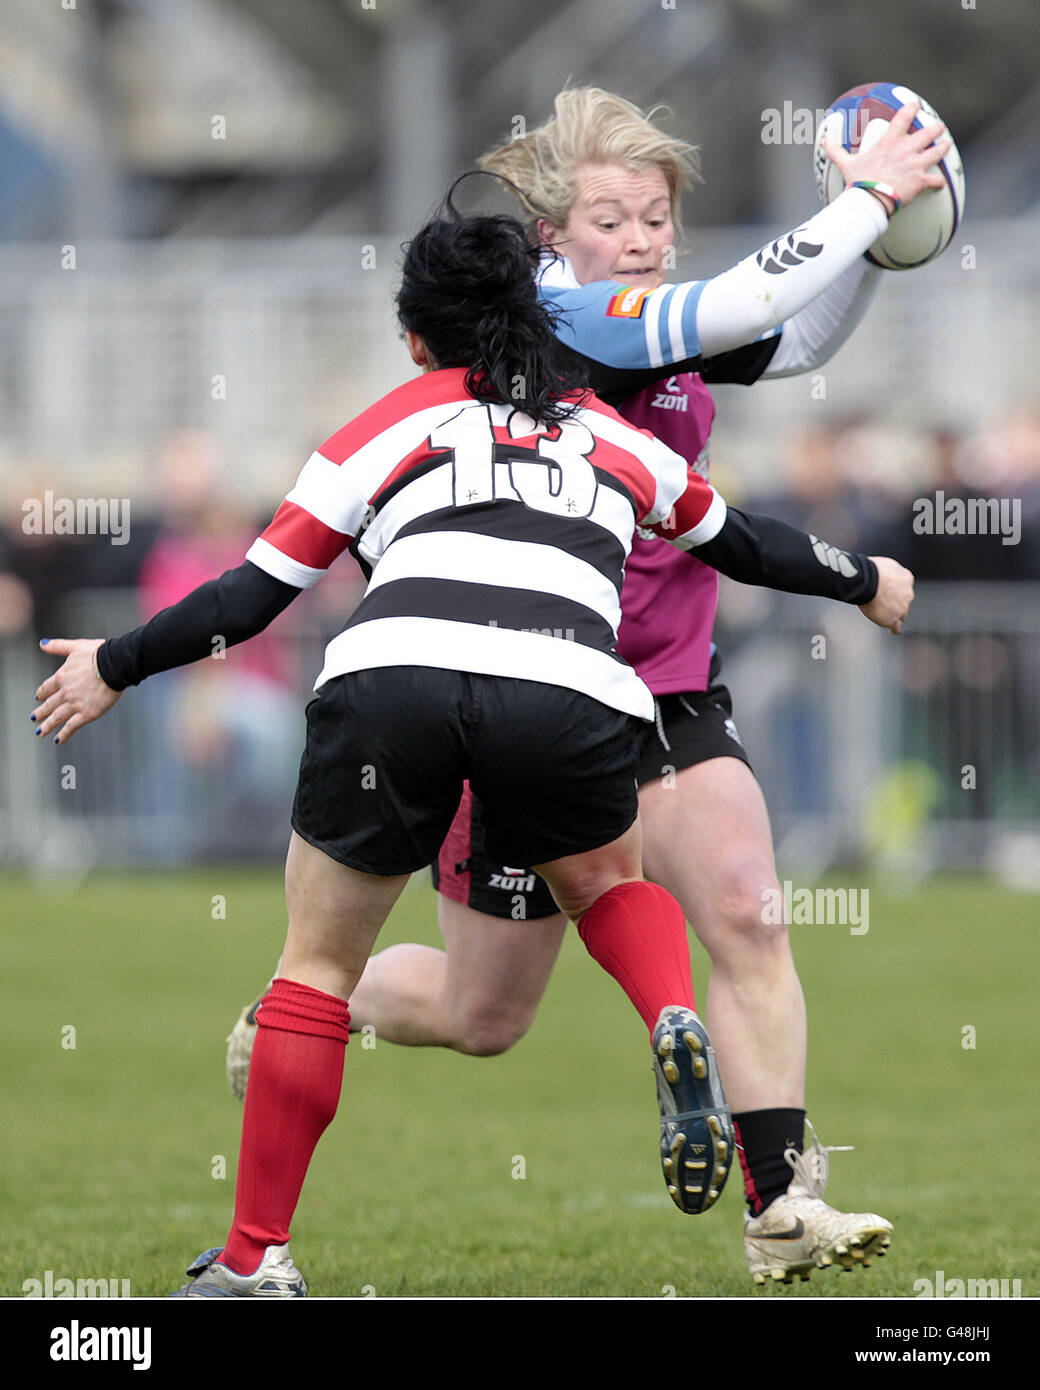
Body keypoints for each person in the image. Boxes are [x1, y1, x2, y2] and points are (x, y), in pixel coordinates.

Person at [34, 204, 913, 1296]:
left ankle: (255, 1259)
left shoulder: (388, 419)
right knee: (605, 886)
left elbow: (249, 596)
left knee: (313, 968)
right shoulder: (606, 431)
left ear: (415, 337)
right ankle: (666, 1010)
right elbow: (743, 540)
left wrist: (113, 664)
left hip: (393, 675)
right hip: (569, 686)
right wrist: (862, 576)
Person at [225, 87, 943, 1286]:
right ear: (554, 238)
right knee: (481, 1015)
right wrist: (867, 198)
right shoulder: (566, 316)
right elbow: (757, 299)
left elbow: (802, 336)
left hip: (666, 683)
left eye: (658, 216)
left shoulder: (659, 322)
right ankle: (315, 1005)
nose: (646, 237)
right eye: (615, 216)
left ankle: (781, 1208)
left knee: (753, 915)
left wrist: (872, 232)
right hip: (537, 690)